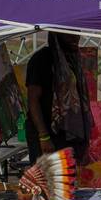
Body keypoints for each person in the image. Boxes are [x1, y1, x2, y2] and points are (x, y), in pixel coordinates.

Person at [24, 32, 91, 162]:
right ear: (56, 36)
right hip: (48, 133)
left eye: (77, 34)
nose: (75, 38)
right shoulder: (41, 59)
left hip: (68, 132)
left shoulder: (73, 58)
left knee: (68, 173)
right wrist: (44, 136)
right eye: (69, 35)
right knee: (48, 174)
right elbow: (33, 100)